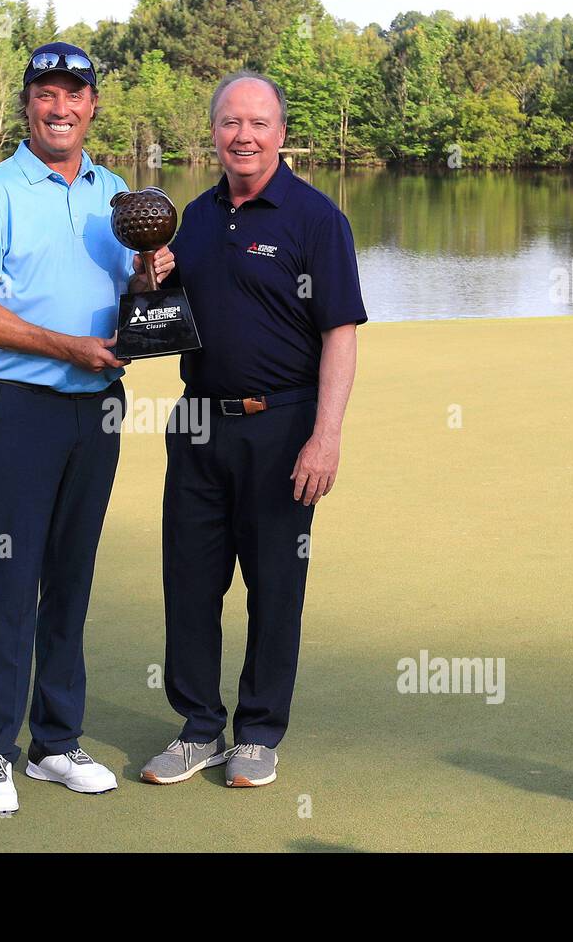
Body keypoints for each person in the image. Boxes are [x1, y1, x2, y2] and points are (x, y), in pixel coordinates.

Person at [0, 42, 173, 815]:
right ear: (29, 105)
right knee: (13, 580)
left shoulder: (115, 195)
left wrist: (148, 279)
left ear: (93, 106)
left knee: (71, 580)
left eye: (75, 94)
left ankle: (55, 744)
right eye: (47, 93)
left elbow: (126, 297)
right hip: (23, 408)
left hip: (101, 407)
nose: (61, 107)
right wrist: (65, 347)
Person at [139, 71, 365, 788]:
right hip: (200, 423)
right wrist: (150, 279)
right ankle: (199, 728)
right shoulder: (192, 219)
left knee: (274, 586)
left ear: (281, 132)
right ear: (213, 132)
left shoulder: (314, 218)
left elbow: (340, 333)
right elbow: (160, 326)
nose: (244, 135)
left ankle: (259, 732)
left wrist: (325, 437)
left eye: (259, 123)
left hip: (285, 426)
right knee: (191, 582)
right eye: (231, 122)